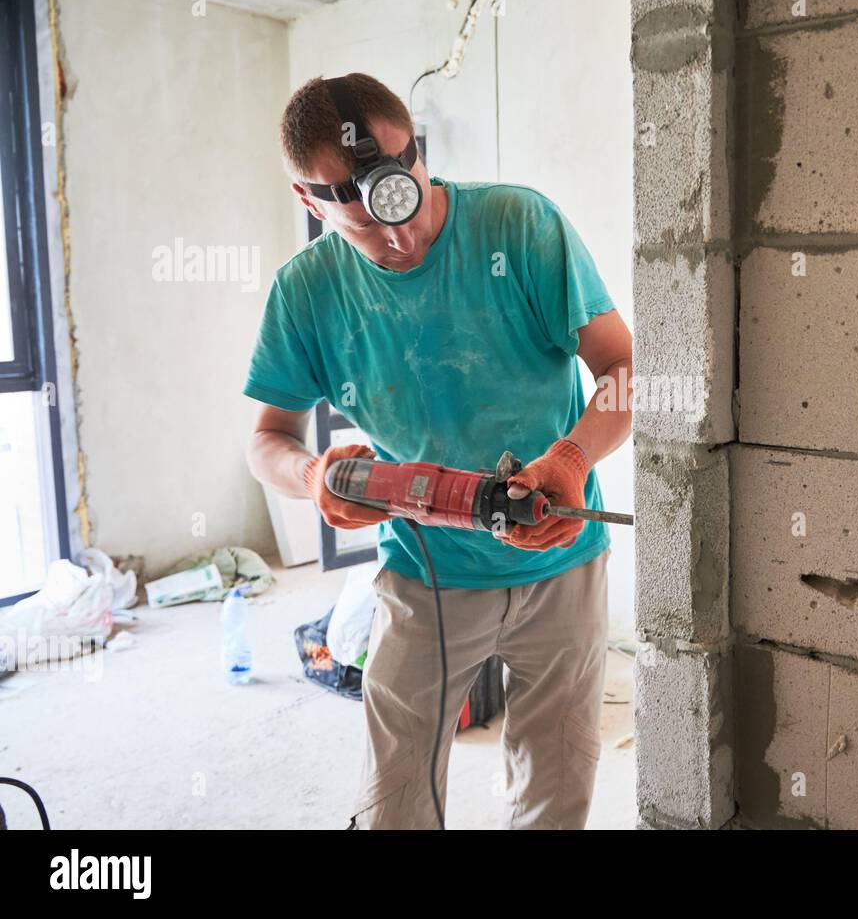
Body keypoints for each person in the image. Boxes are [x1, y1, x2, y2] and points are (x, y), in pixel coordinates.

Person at [243, 72, 632, 829]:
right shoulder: (306, 293)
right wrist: (311, 474)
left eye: (407, 199)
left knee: (556, 792)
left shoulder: (520, 225)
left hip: (562, 560)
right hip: (424, 571)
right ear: (309, 201)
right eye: (362, 224)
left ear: (417, 149)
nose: (399, 237)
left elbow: (621, 368)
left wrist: (572, 458)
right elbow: (267, 440)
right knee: (396, 799)